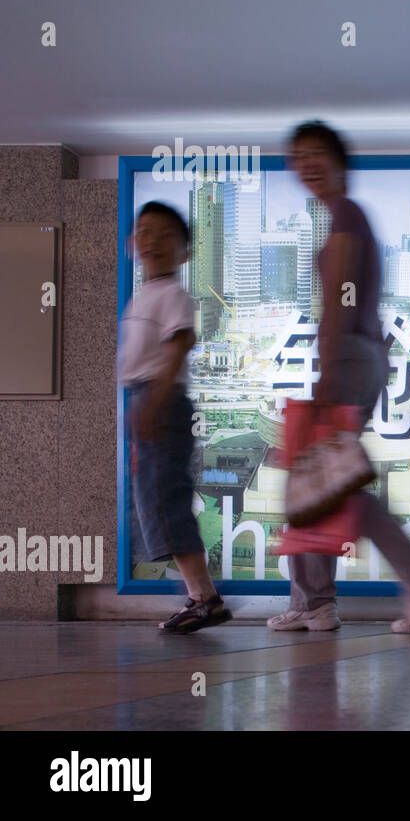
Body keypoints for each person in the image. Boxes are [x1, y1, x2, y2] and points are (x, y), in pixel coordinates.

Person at [267, 121, 410, 635]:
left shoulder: (346, 218)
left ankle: (400, 586)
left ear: (339, 160)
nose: (306, 163)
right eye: (298, 155)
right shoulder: (343, 218)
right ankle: (319, 601)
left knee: (327, 480)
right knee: (328, 481)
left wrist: (326, 372)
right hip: (360, 355)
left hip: (346, 358)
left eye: (316, 154)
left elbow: (340, 300)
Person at [120, 201, 231, 634]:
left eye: (167, 235)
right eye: (146, 232)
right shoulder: (144, 296)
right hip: (147, 400)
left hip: (160, 402)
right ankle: (200, 597)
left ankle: (204, 599)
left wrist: (153, 402)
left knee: (165, 502)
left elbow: (180, 344)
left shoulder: (172, 295)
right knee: (155, 500)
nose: (154, 241)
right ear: (133, 244)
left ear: (185, 252)